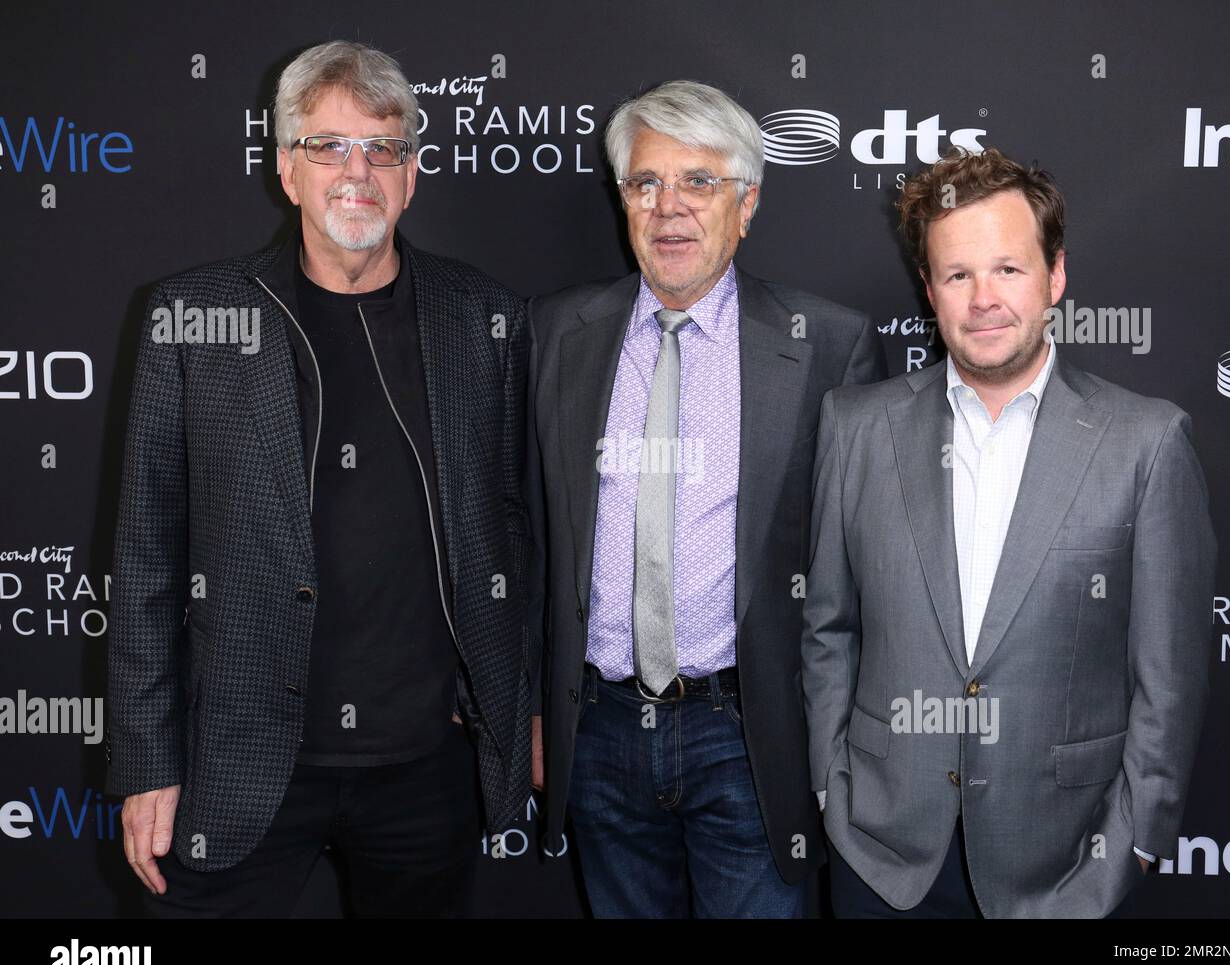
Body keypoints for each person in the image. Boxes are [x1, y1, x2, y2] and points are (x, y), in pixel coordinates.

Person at [106, 40, 536, 917]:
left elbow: (515, 528)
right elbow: (147, 555)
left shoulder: (483, 315)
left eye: (383, 148)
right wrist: (147, 762)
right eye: (328, 146)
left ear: (412, 176)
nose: (357, 172)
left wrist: (513, 706)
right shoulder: (194, 317)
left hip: (427, 767)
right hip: (239, 762)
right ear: (285, 170)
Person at [801, 146, 1216, 917]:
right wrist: (833, 787)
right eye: (958, 275)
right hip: (880, 858)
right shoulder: (856, 425)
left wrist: (1134, 841)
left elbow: (1170, 679)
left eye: (1009, 270)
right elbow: (828, 625)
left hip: (1063, 869)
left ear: (1055, 276)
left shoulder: (1146, 444)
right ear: (929, 290)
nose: (983, 298)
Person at [526, 80, 886, 917]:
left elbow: (862, 571)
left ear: (747, 204)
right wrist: (535, 716)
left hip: (750, 734)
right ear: (622, 199)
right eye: (646, 182)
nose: (669, 208)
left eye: (700, 182)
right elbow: (527, 538)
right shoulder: (555, 333)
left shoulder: (825, 345)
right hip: (601, 727)